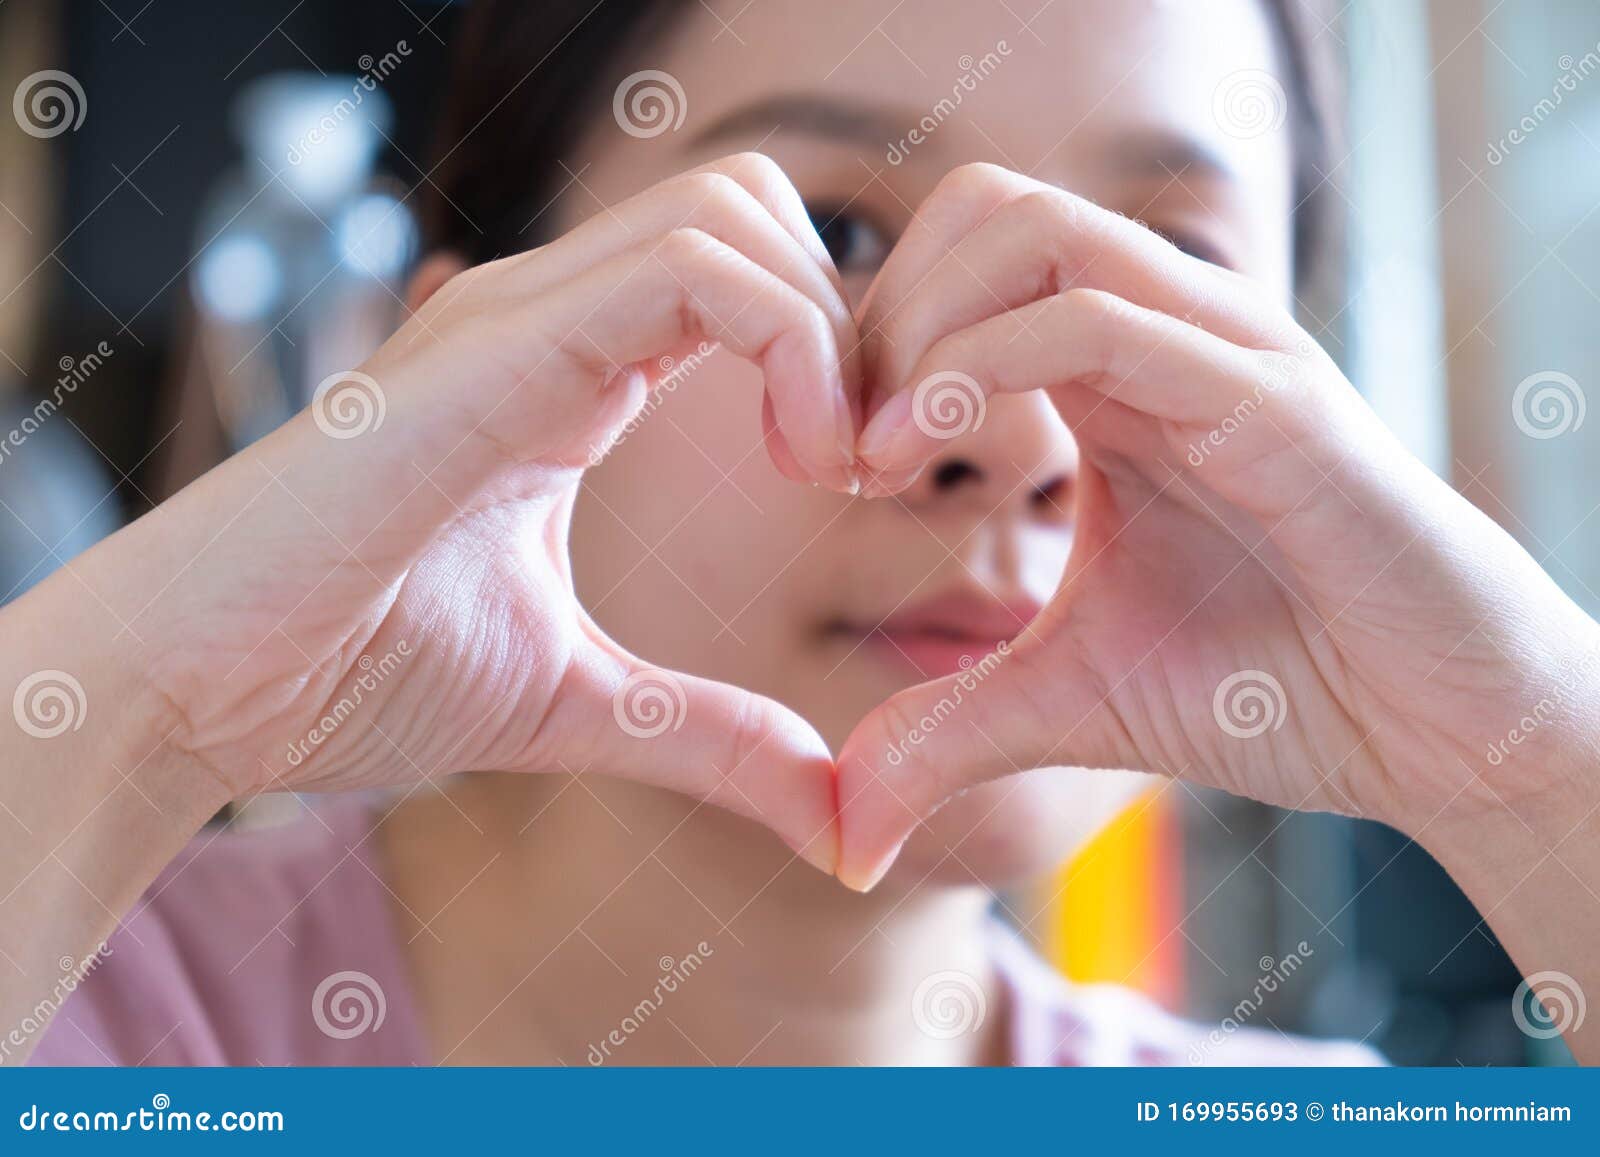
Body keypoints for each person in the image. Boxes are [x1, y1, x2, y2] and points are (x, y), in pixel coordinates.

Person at [5, 0, 1596, 1067]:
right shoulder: (98, 1019)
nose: (1013, 432)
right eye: (837, 233)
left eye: (1160, 268)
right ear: (469, 354)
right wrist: (147, 708)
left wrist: (1529, 765)